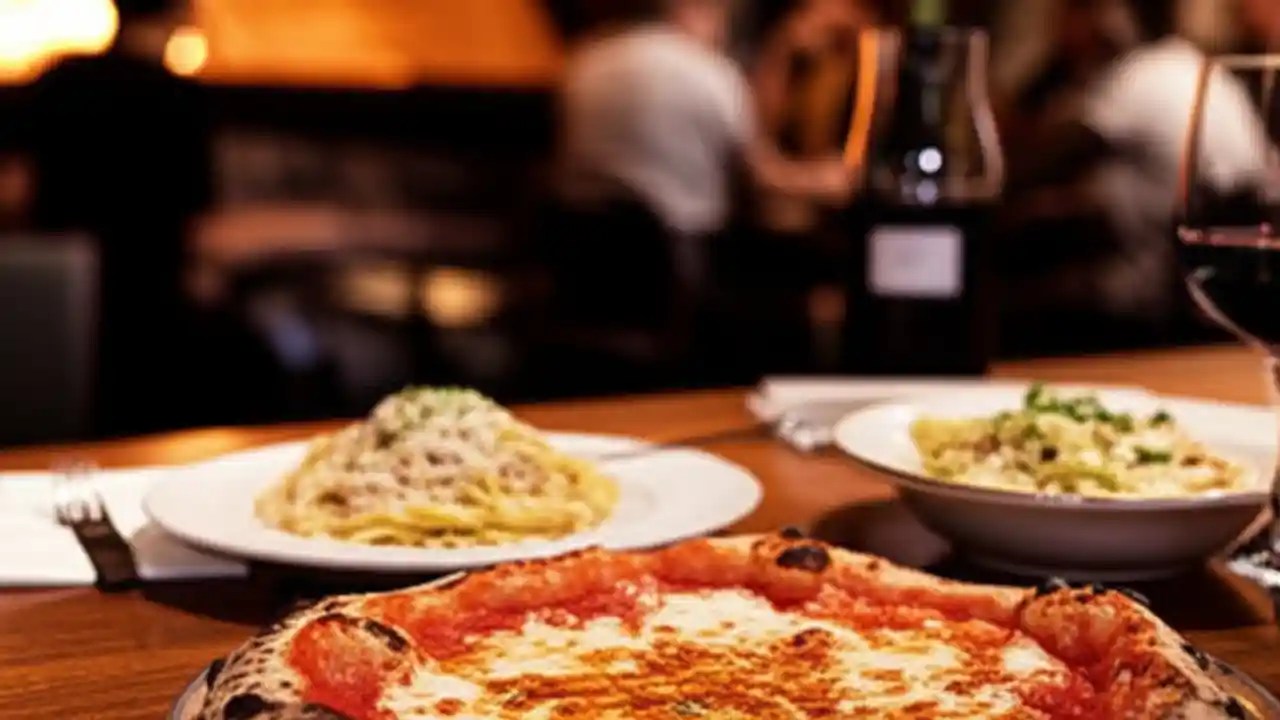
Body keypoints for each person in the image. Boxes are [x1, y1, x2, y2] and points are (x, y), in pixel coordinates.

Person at [1001, 0, 1270, 352]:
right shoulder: (1197, 67)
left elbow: (1024, 169)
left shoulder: (1141, 76)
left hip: (1144, 315)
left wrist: (1046, 72)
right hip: (1205, 300)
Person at [21, 0, 212, 435]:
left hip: (49, 312)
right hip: (152, 314)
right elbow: (202, 232)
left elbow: (15, 188)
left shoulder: (58, 79)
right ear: (183, 15)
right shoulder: (181, 97)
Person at [556, 0, 852, 243]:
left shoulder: (584, 64)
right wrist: (825, 179)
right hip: (680, 261)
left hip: (578, 256)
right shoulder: (710, 72)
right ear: (695, 8)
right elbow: (761, 177)